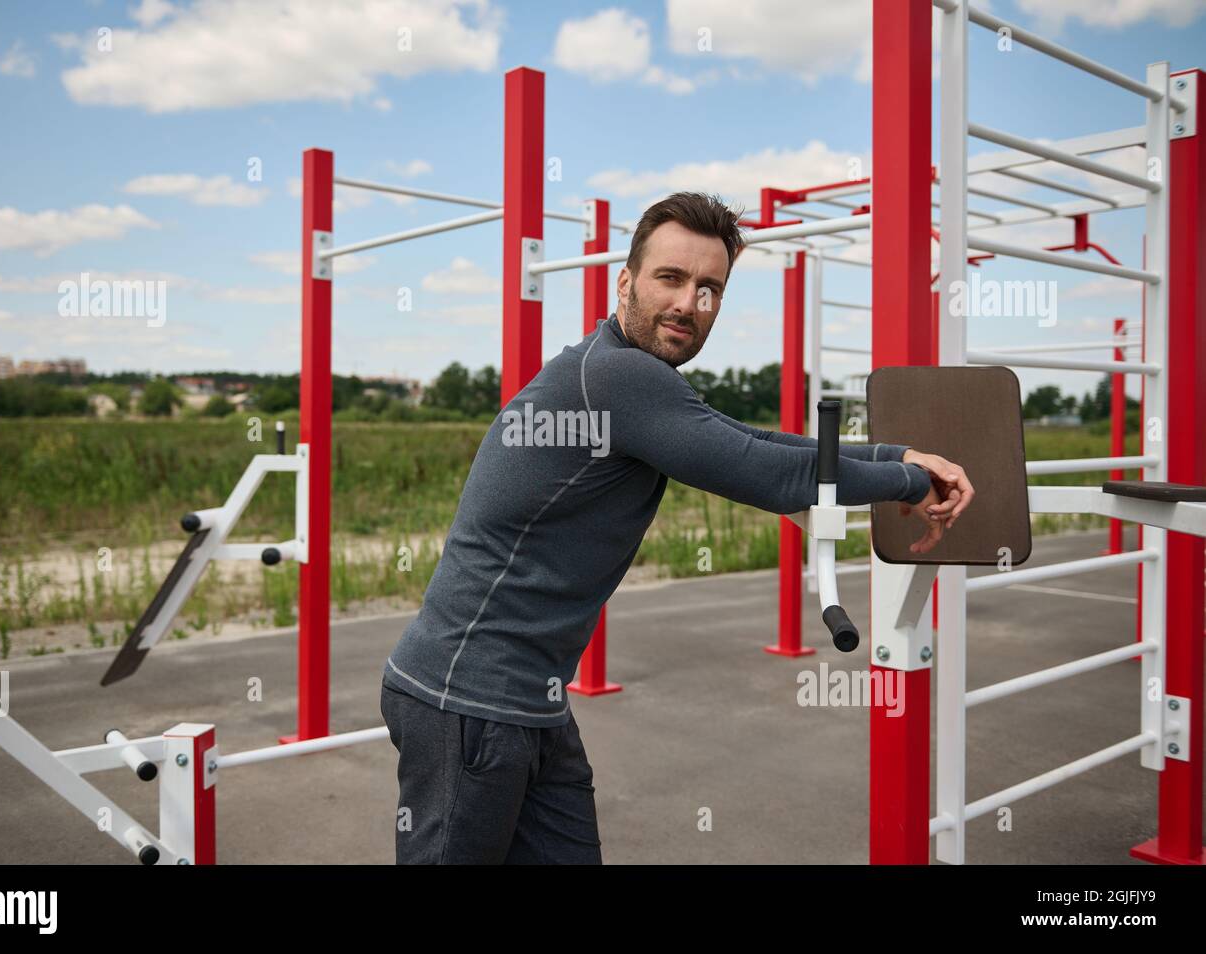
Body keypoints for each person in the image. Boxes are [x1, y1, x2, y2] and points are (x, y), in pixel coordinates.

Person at [379, 191, 975, 864]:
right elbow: (765, 473)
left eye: (709, 289)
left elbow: (749, 440)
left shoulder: (626, 377)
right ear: (626, 282)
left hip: (527, 701)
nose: (690, 304)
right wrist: (909, 481)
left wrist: (898, 459)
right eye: (671, 278)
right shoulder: (614, 377)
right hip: (466, 700)